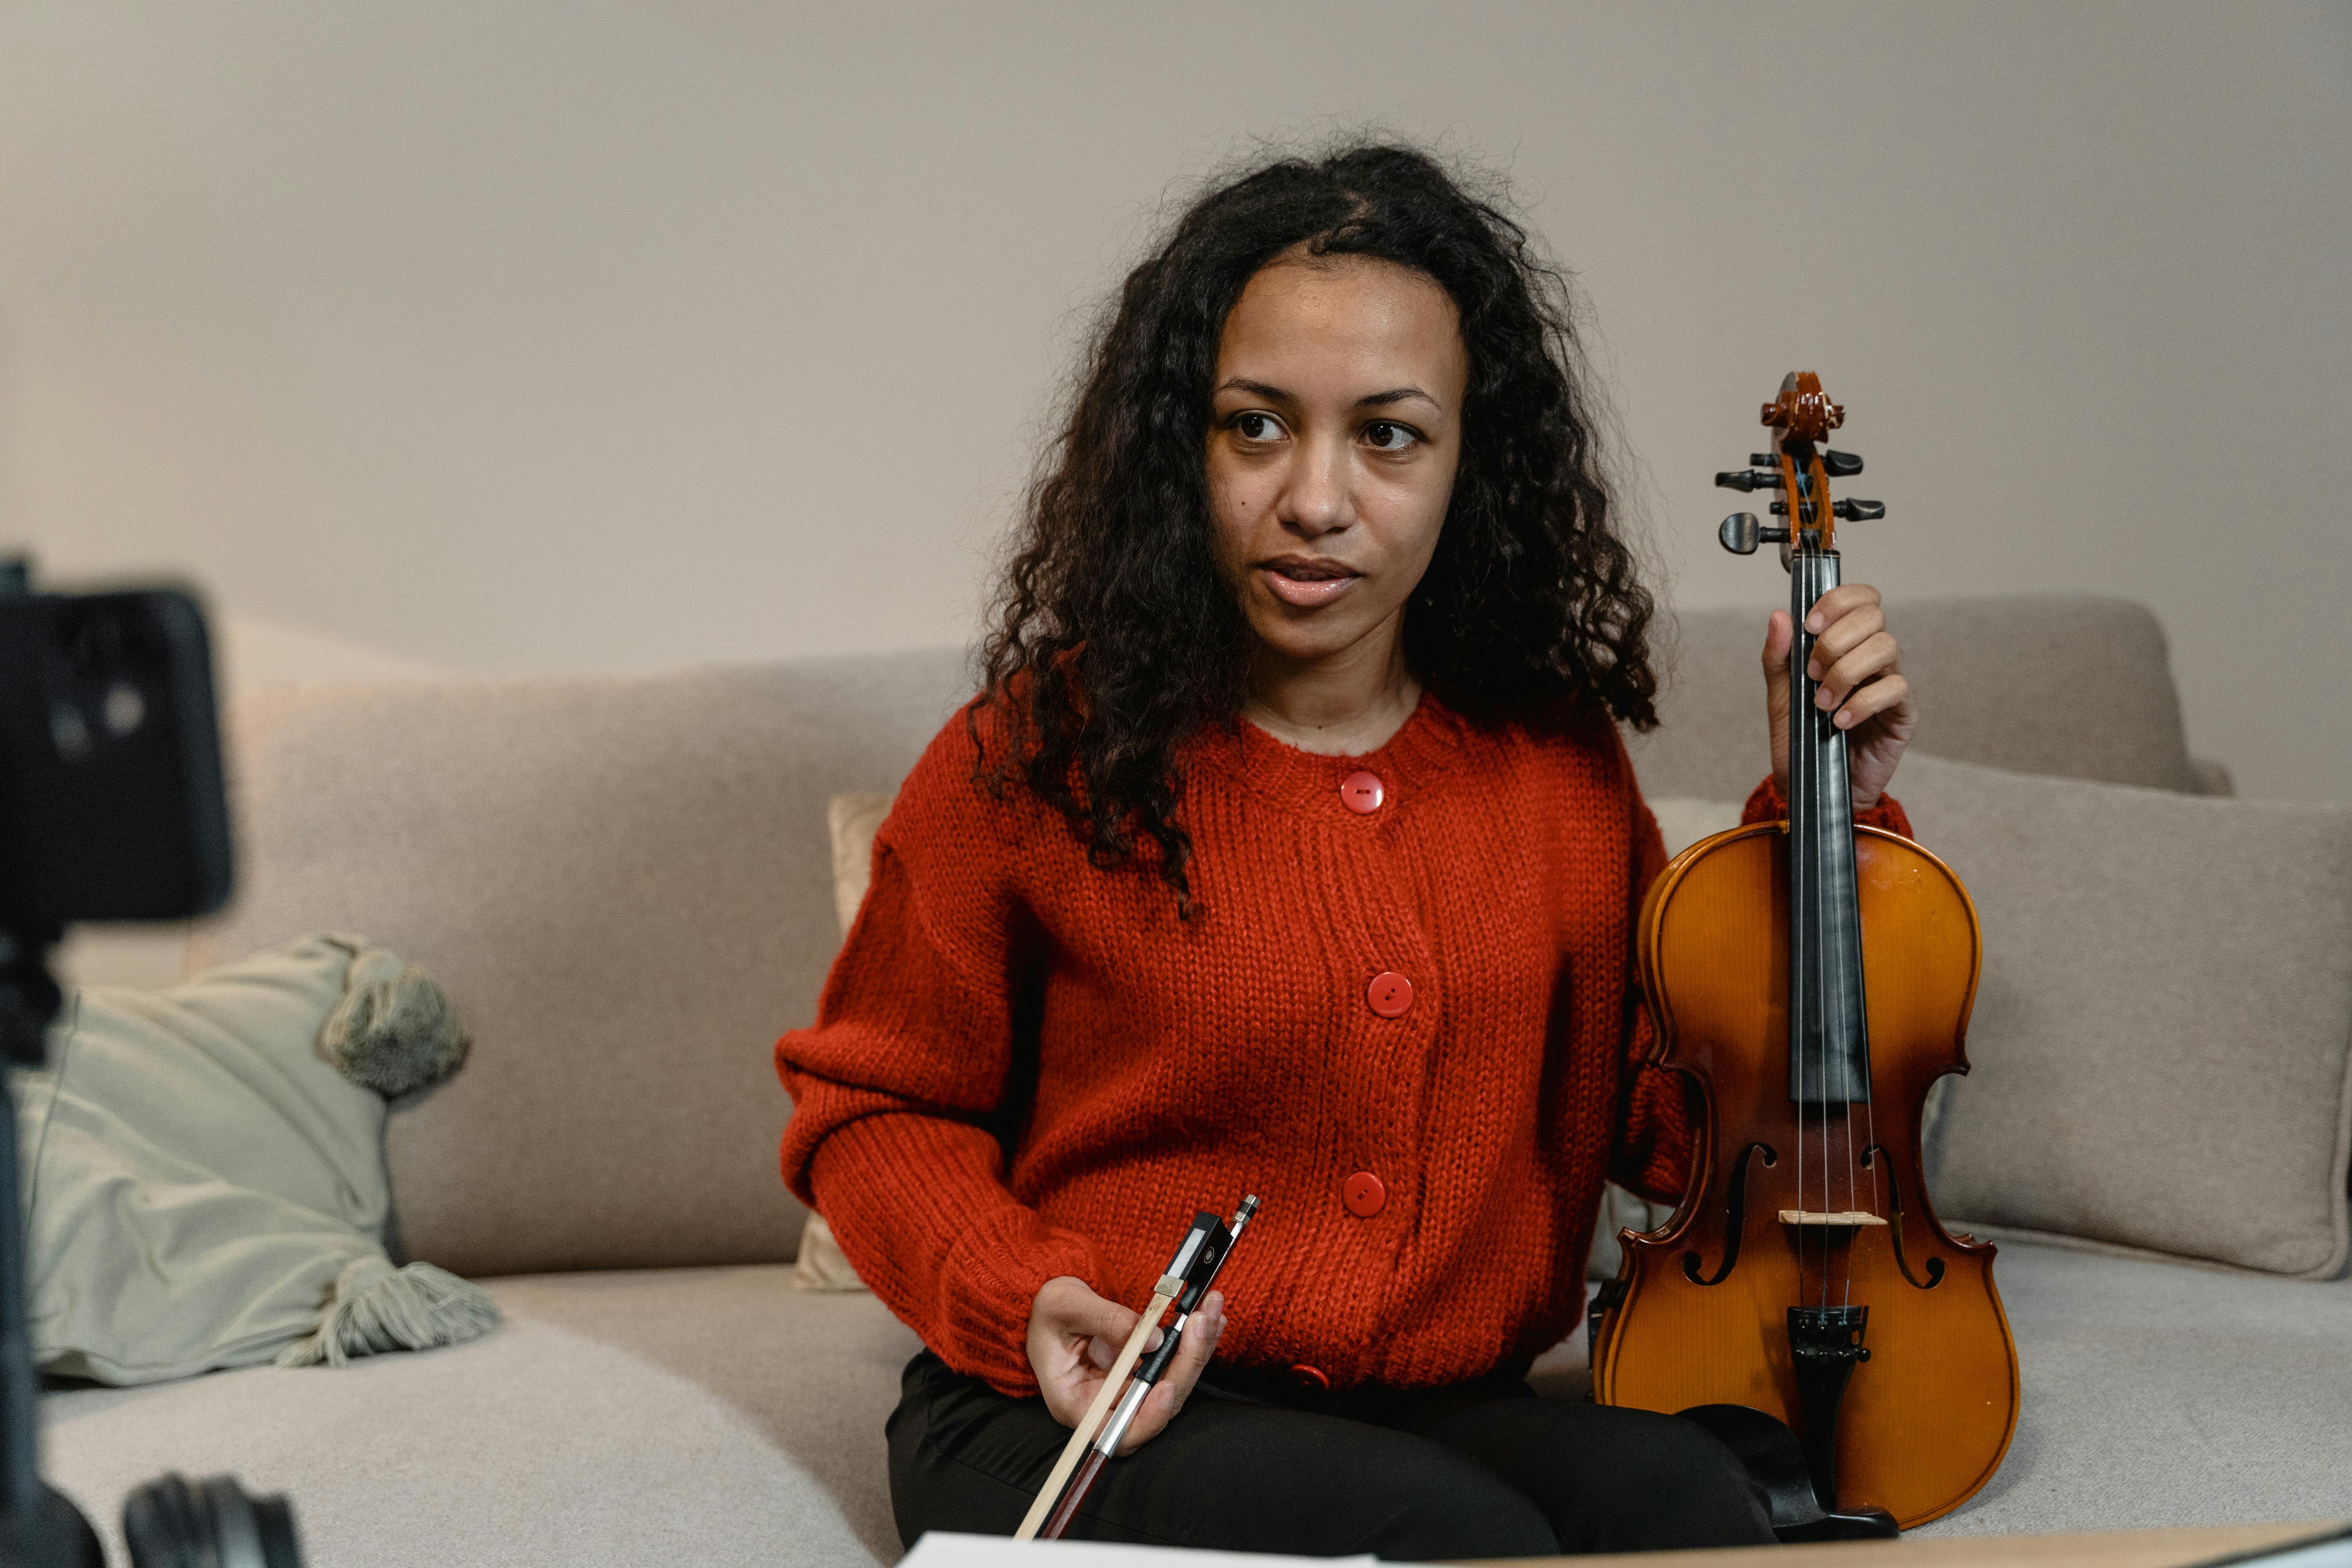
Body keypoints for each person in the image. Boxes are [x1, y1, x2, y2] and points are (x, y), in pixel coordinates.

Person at [775, 143, 1918, 1558]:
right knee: (1453, 1538)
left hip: (1430, 1410)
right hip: (1075, 1416)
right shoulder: (1033, 755)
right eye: (1256, 427)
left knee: (1696, 1506)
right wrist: (1017, 1291)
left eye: (1388, 435)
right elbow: (866, 1111)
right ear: (1177, 442)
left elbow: (1682, 1137)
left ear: (1467, 464)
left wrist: (1824, 827)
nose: (1315, 498)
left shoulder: (1554, 764)